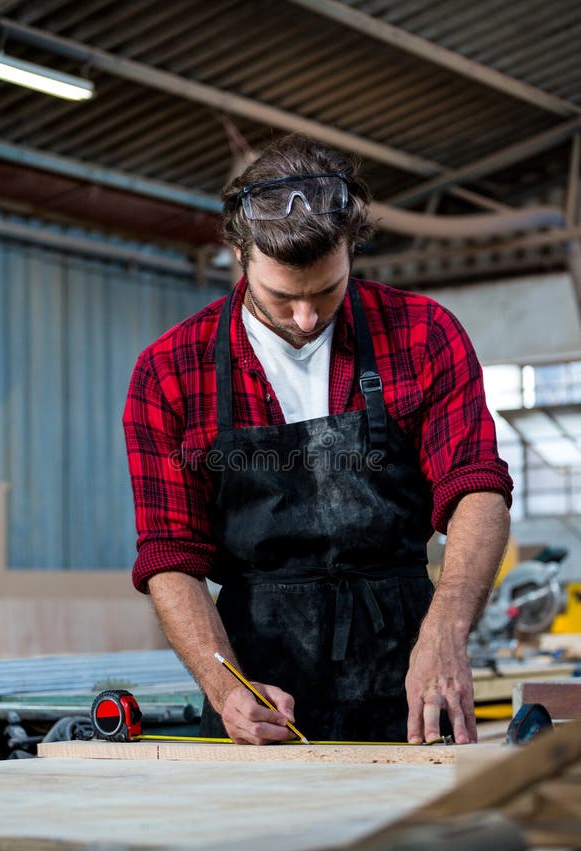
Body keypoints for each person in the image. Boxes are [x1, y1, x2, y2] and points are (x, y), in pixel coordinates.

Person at [123, 134, 512, 746]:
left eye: (326, 292)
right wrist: (227, 690)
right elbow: (171, 554)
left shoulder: (423, 333)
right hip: (259, 678)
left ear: (352, 249)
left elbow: (478, 489)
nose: (306, 319)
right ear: (238, 252)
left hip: (412, 669)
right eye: (283, 297)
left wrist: (447, 632)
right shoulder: (169, 370)